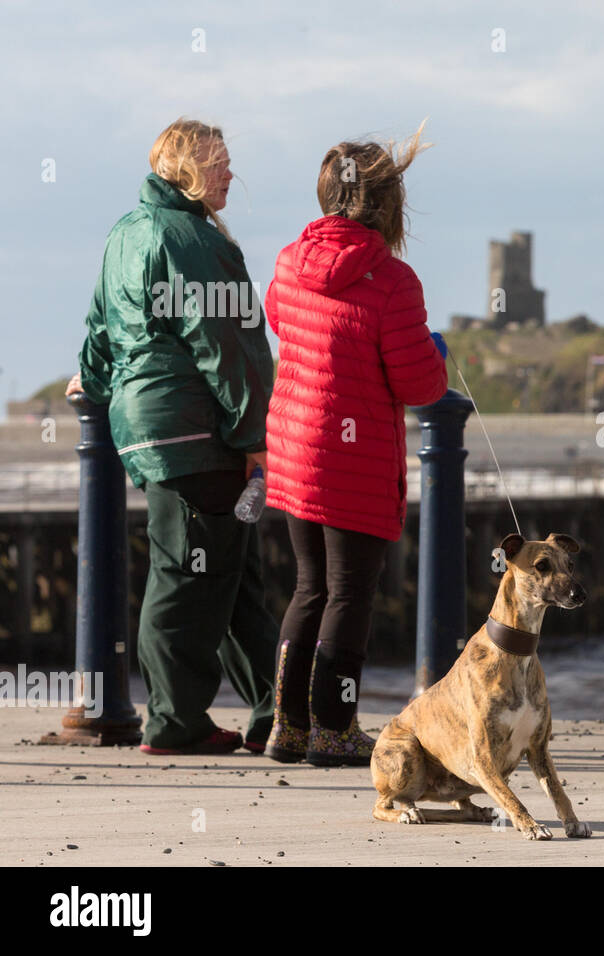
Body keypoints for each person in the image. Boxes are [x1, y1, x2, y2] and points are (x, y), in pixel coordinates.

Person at [71, 118, 280, 755]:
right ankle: (174, 723)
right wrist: (253, 435)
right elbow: (229, 346)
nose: (229, 174)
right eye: (217, 162)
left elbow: (101, 327)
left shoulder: (126, 232)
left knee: (229, 573)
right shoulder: (190, 238)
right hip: (194, 431)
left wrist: (93, 381)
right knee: (187, 575)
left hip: (148, 429)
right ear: (185, 168)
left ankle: (282, 711)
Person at [261, 123, 448, 766]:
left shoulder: (289, 261)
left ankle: (287, 727)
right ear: (387, 206)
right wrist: (436, 355)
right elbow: (420, 384)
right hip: (355, 459)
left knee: (309, 588)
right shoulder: (394, 282)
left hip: (294, 447)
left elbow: (282, 321)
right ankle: (334, 728)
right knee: (350, 596)